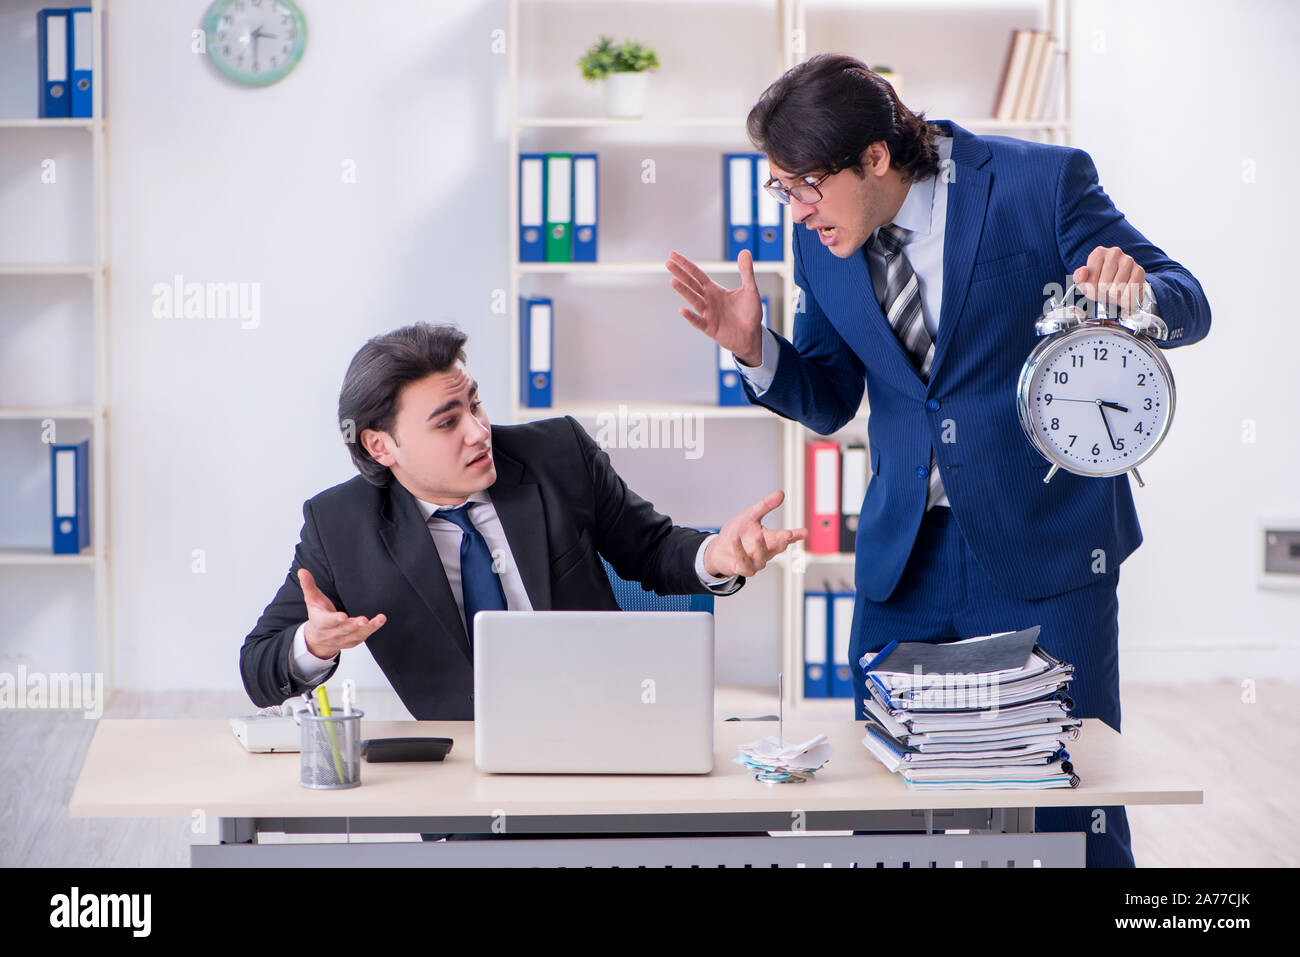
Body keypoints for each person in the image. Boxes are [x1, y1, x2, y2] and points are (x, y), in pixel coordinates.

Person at [666, 54, 1210, 868]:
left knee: (1068, 801)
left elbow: (1187, 298)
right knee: (881, 807)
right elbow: (831, 395)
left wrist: (1136, 292)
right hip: (903, 562)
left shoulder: (1040, 181)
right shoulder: (819, 241)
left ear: (876, 158)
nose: (795, 207)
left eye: (804, 184)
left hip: (1044, 545)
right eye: (781, 188)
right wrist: (756, 350)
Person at [241, 322, 805, 720]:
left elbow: (652, 549)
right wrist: (312, 645)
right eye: (447, 423)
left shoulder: (557, 455)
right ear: (381, 445)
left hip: (610, 733)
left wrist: (715, 557)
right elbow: (258, 667)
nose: (479, 431)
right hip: (467, 774)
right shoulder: (341, 526)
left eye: (475, 406)